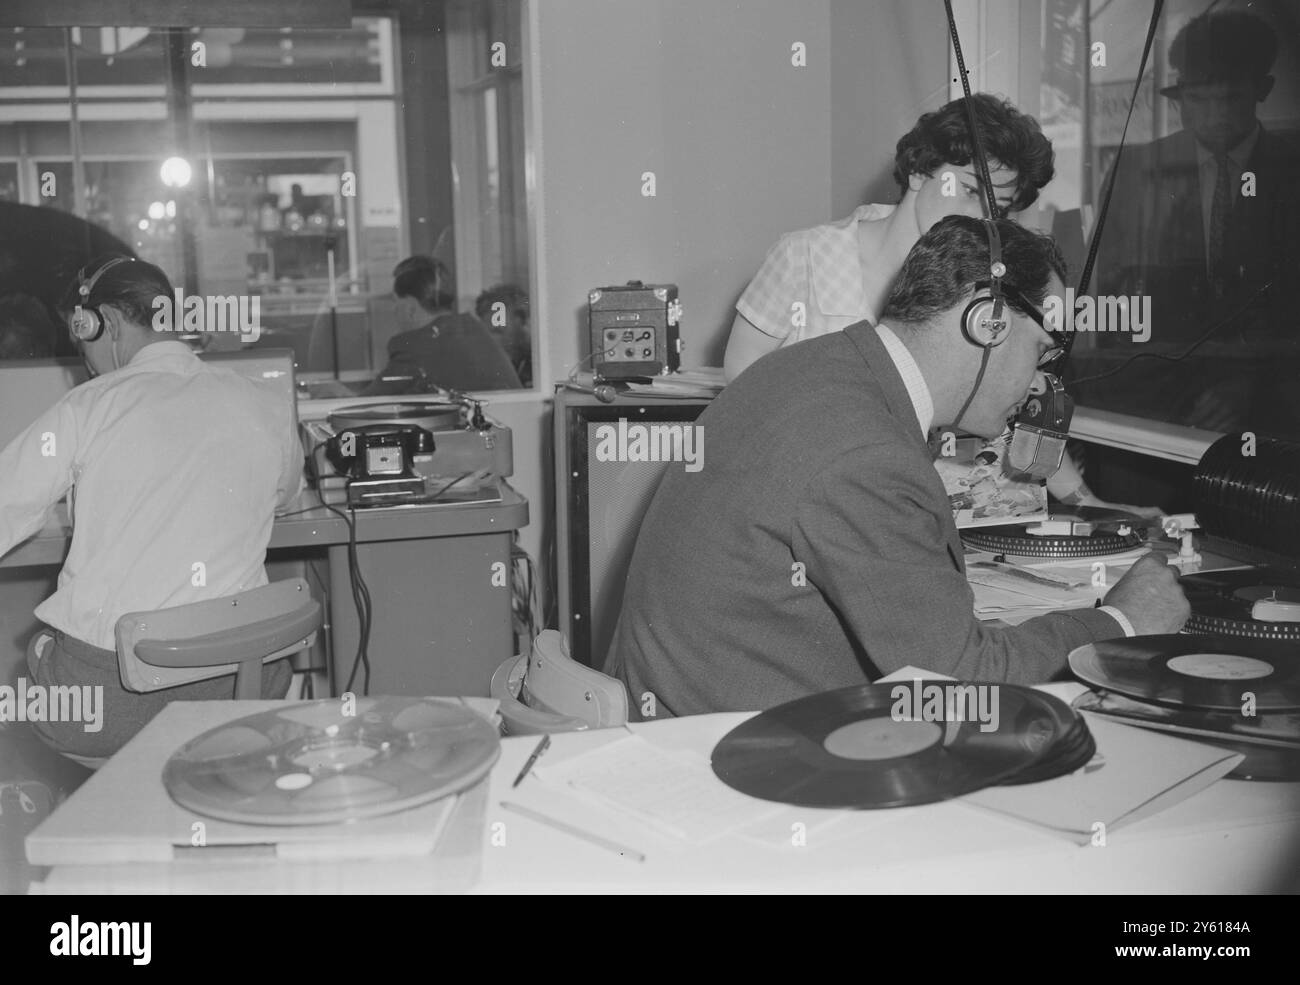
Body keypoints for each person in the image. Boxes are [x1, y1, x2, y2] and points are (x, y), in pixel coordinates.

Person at [606, 217, 1188, 719]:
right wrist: (1121, 622)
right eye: (1043, 351)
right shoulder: (867, 452)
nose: (1040, 382)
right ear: (987, 322)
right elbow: (961, 683)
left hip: (686, 705)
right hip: (731, 758)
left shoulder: (810, 367)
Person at [725, 93, 1133, 511]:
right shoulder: (804, 257)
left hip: (925, 514)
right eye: (969, 189)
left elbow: (1016, 405)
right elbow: (742, 384)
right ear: (920, 172)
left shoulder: (986, 282)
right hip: (809, 498)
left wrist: (1088, 503)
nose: (979, 217)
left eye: (1000, 208)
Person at [0, 256, 303, 759]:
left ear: (108, 324)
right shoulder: (265, 404)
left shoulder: (88, 405)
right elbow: (286, 495)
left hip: (111, 706)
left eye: (85, 346)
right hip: (243, 688)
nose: (87, 364)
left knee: (23, 654)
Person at [1088, 8, 1300, 434]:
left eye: (1231, 98)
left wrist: (1248, 385)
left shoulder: (1292, 172)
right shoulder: (1136, 170)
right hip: (1156, 403)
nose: (1215, 115)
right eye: (1200, 100)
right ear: (1180, 95)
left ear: (1263, 89)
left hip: (1273, 404)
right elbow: (1111, 298)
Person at [365, 256, 521, 395]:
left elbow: (366, 406)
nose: (394, 310)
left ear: (410, 308)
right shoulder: (472, 327)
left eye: (396, 302)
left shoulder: (414, 346)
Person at [475, 283, 532, 387]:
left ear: (522, 321)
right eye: (485, 334)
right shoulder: (484, 368)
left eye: (497, 332)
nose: (490, 341)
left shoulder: (538, 369)